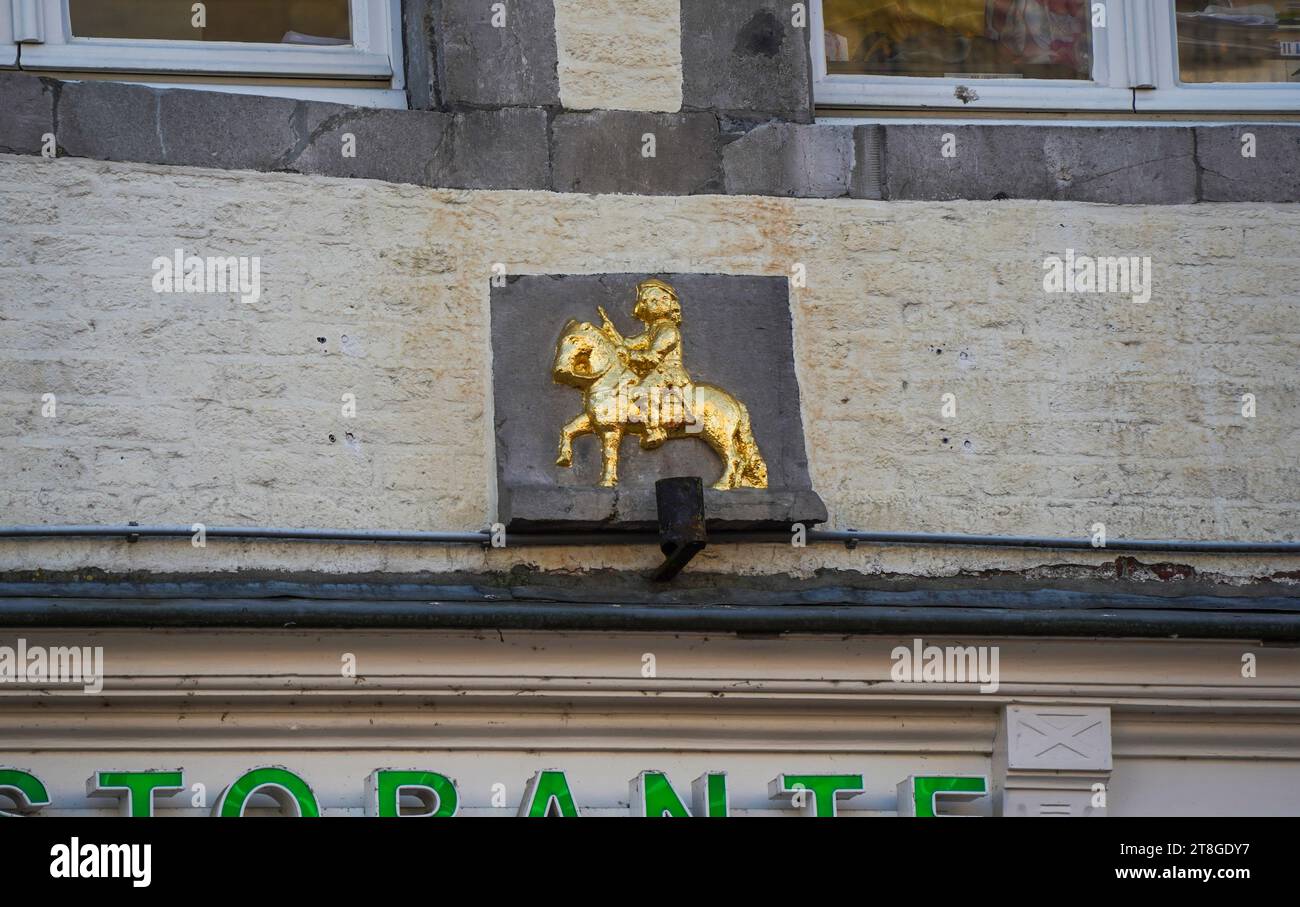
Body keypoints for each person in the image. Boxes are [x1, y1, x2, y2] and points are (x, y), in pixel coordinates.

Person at [599, 278, 693, 449]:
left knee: (638, 393)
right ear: (643, 306)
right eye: (652, 301)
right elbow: (628, 344)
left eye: (662, 300)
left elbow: (653, 357)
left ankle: (654, 430)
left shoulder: (668, 330)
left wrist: (627, 355)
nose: (657, 304)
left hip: (669, 373)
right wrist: (611, 334)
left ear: (671, 304)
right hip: (657, 373)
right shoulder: (653, 330)